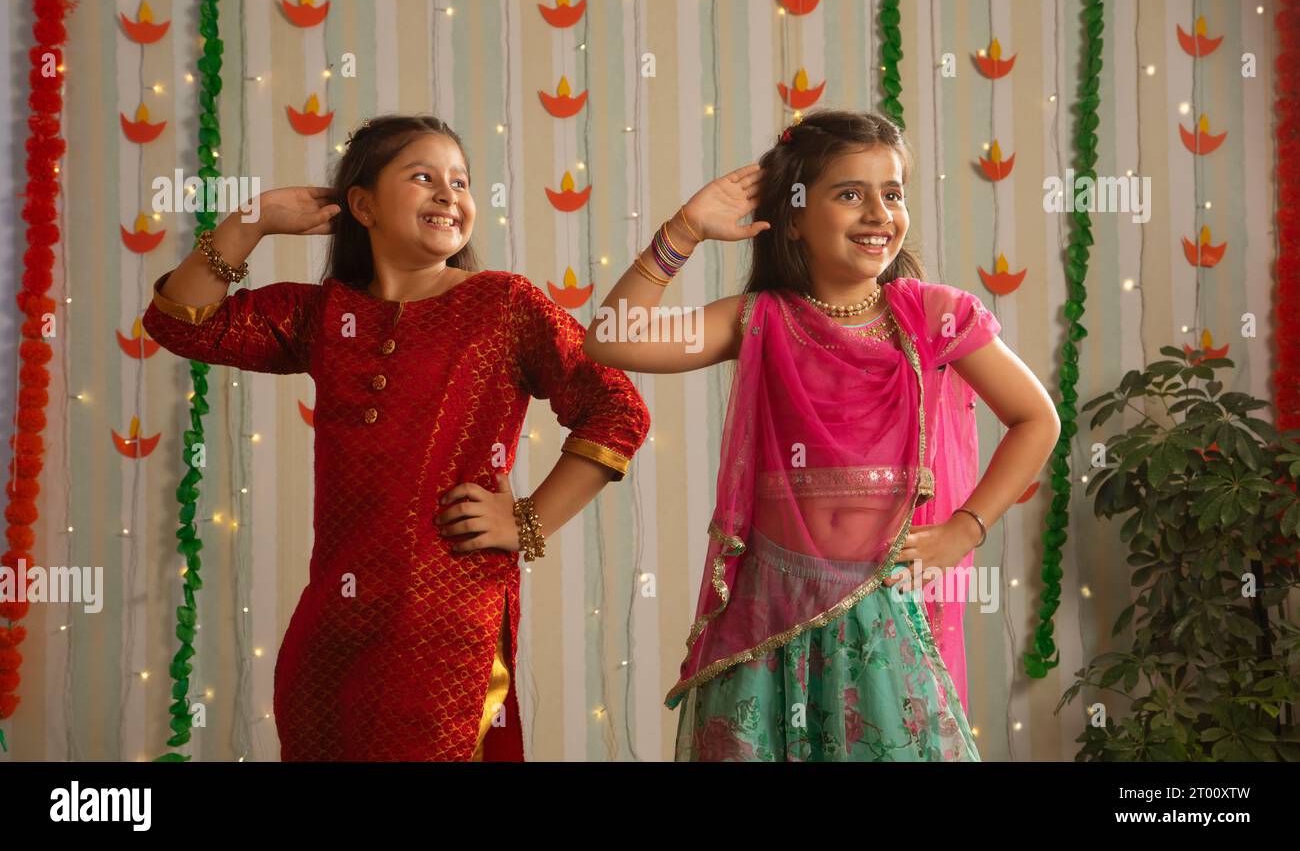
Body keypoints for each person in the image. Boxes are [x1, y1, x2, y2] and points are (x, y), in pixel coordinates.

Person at [143, 114, 651, 761]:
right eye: (423, 177)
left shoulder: (505, 304)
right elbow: (181, 324)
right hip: (333, 620)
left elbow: (617, 407)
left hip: (445, 615)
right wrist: (257, 216)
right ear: (363, 204)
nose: (449, 194)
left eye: (460, 181)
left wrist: (527, 521)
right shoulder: (325, 314)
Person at [584, 109, 1059, 761]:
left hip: (884, 620)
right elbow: (613, 337)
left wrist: (967, 528)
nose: (878, 213)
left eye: (892, 194)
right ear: (795, 217)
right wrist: (684, 230)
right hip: (771, 620)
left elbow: (1038, 420)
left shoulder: (936, 316)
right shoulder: (761, 321)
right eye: (849, 194)